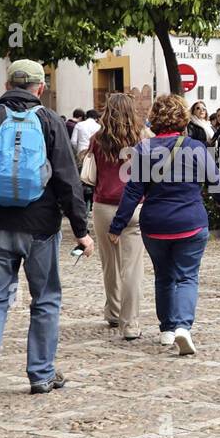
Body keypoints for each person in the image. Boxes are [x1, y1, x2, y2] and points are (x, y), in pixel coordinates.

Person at [0, 59, 93, 404]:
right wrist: (81, 229)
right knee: (46, 299)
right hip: (40, 227)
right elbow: (67, 178)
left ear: (8, 85)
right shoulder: (51, 120)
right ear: (40, 88)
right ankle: (41, 373)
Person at [108, 93, 220, 355]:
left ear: (155, 118)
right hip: (190, 222)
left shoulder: (143, 150)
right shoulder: (195, 147)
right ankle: (183, 326)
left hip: (155, 225)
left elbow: (133, 192)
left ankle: (167, 330)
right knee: (186, 276)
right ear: (183, 118)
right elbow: (217, 183)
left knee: (164, 276)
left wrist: (117, 226)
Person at [89, 94, 146, 340]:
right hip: (134, 207)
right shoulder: (142, 139)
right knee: (132, 267)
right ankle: (130, 323)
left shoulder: (97, 139)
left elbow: (92, 173)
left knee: (109, 263)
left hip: (103, 206)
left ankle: (113, 310)